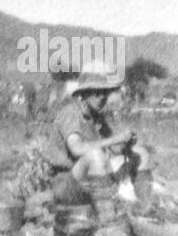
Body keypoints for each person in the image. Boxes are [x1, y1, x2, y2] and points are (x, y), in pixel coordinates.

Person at [44, 59, 150, 206]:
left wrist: (125, 143)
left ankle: (144, 206)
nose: (102, 97)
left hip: (88, 180)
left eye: (105, 92)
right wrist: (115, 139)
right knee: (95, 156)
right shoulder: (70, 113)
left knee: (140, 153)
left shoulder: (96, 117)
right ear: (85, 93)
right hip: (65, 185)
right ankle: (106, 214)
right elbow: (78, 149)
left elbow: (113, 150)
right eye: (96, 92)